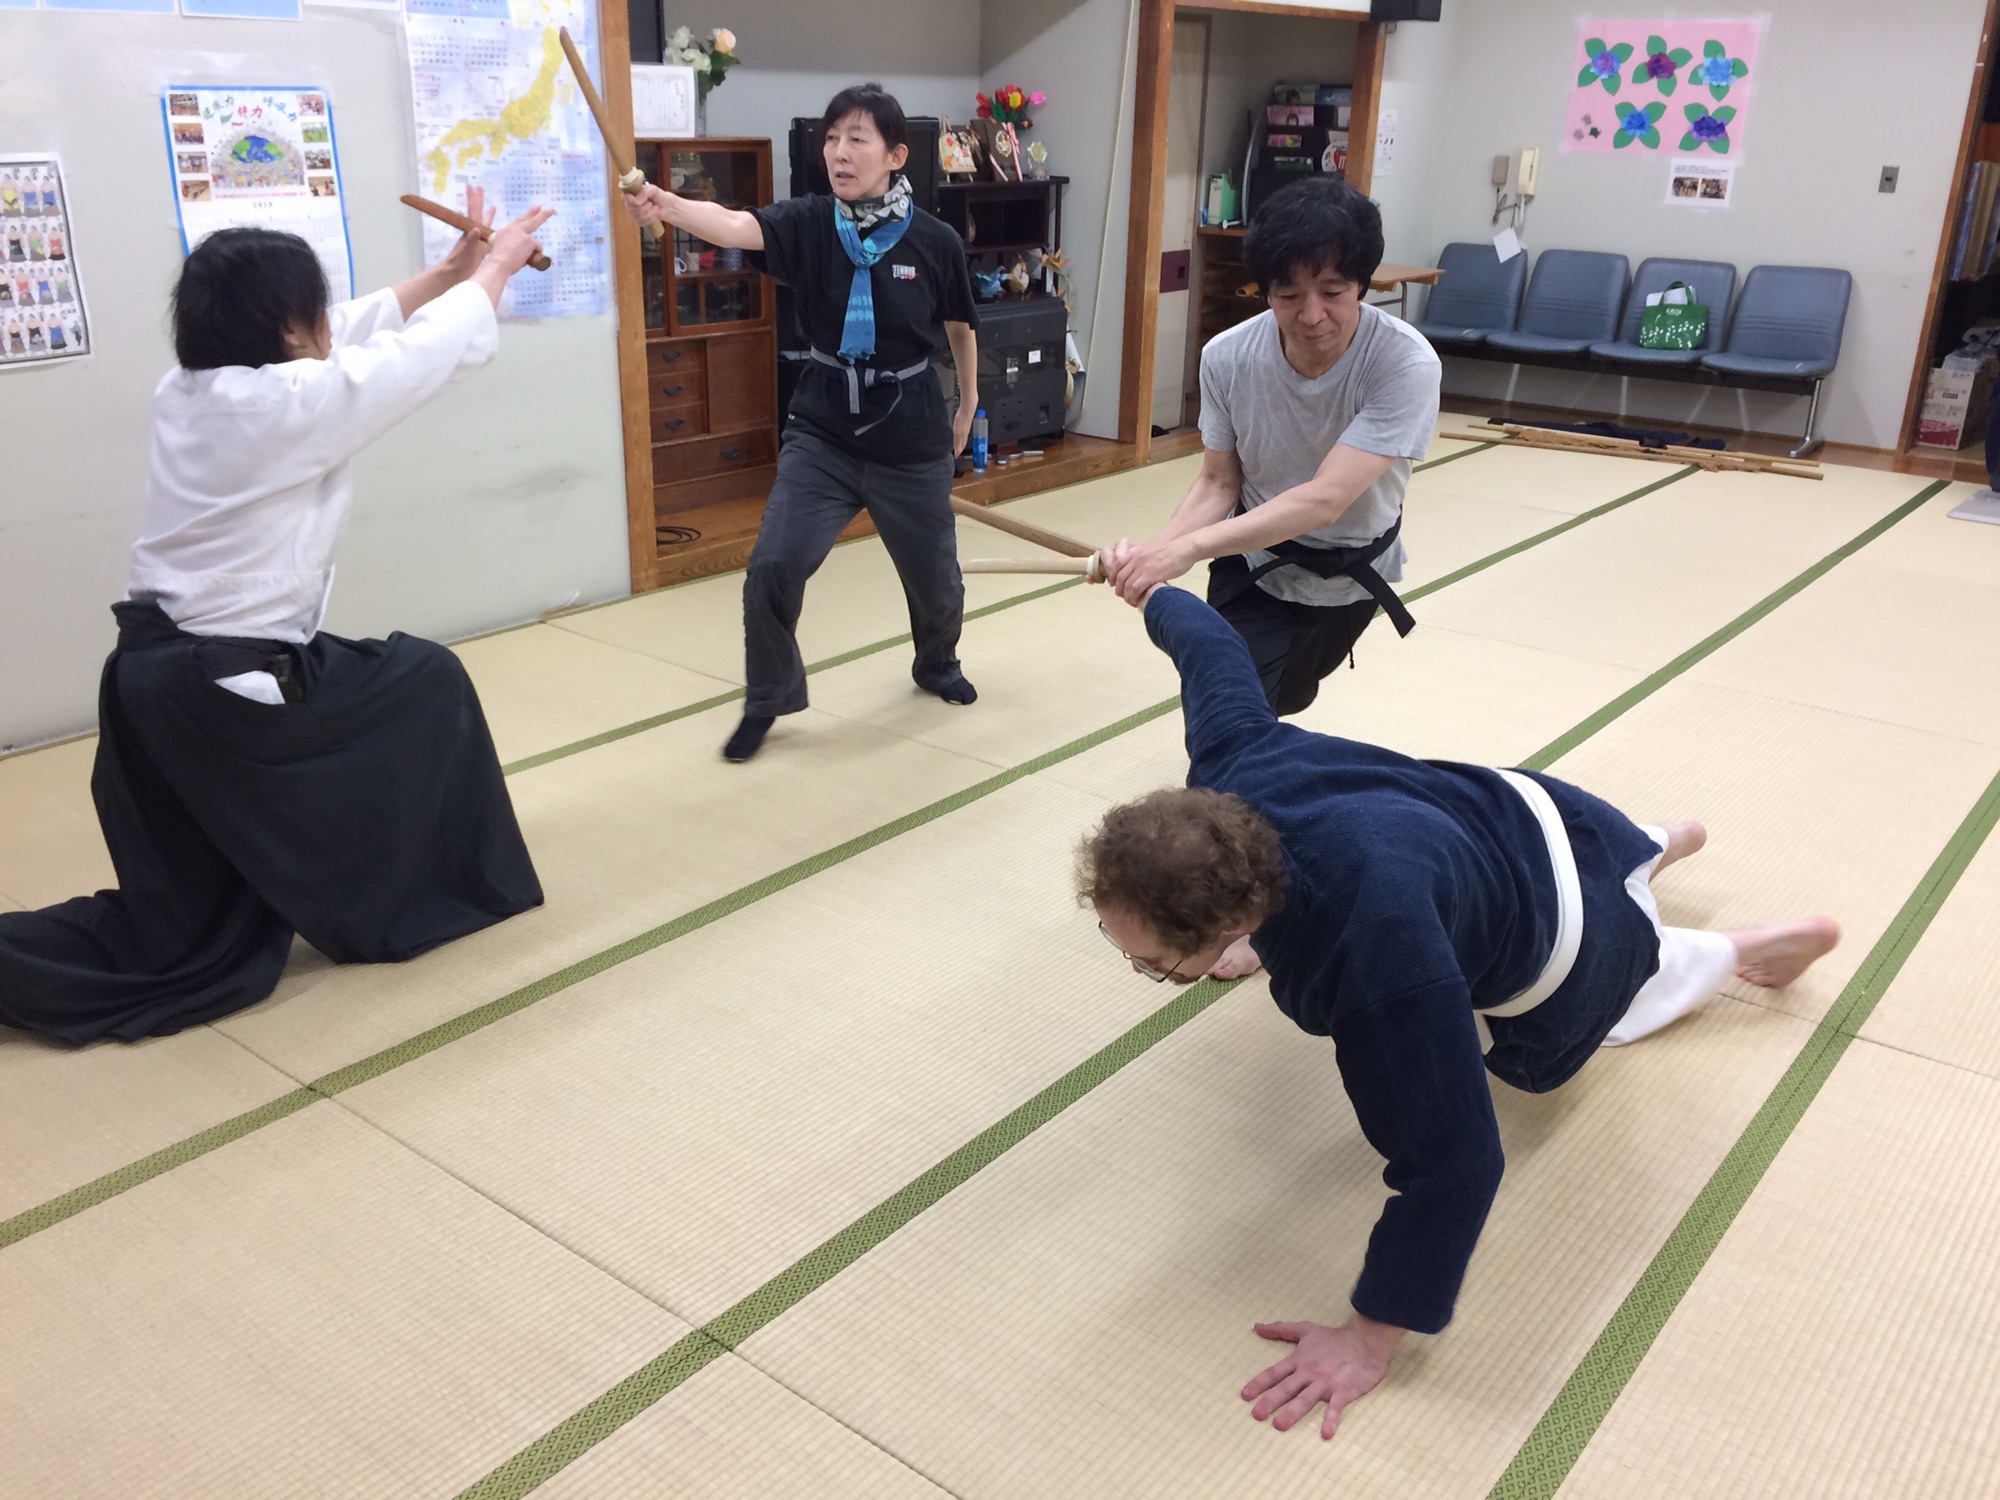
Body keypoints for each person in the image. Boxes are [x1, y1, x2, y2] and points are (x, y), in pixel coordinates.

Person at [1075, 582, 1840, 1441]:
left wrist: (1369, 1338)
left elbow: (1456, 1163)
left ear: (1235, 920)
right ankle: (1658, 842)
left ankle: (1749, 946)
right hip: (1530, 813)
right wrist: (1153, 586)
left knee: (1620, 1002)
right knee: (1584, 861)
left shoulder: (1376, 954)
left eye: (1151, 959)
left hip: (1574, 933)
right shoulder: (1232, 763)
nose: (1142, 964)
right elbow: (1210, 648)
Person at [0, 195, 552, 1045]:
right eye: (312, 310)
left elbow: (357, 340)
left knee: (203, 906)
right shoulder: (284, 406)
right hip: (217, 692)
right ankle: (408, 890)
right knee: (190, 953)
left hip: (157, 678)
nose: (327, 323)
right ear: (286, 324)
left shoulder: (191, 389)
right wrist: (494, 269)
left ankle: (371, 878)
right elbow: (409, 361)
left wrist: (445, 274)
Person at [624, 83, 981, 762]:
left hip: (910, 436)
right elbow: (734, 226)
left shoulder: (934, 241)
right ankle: (768, 696)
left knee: (937, 582)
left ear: (896, 155)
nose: (839, 153)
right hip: (823, 432)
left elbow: (961, 327)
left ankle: (937, 664)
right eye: (831, 138)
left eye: (857, 140)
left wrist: (966, 407)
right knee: (773, 567)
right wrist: (665, 205)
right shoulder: (811, 222)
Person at [1101, 177, 1441, 719]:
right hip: (1251, 563)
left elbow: (1324, 500)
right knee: (1231, 712)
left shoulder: (1404, 364)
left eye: (1332, 292)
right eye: (1288, 294)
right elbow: (1218, 482)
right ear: (1264, 291)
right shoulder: (1227, 357)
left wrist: (1184, 550)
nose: (1310, 315)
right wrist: (1157, 556)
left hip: (1349, 574)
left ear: (1363, 285)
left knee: (1290, 698)